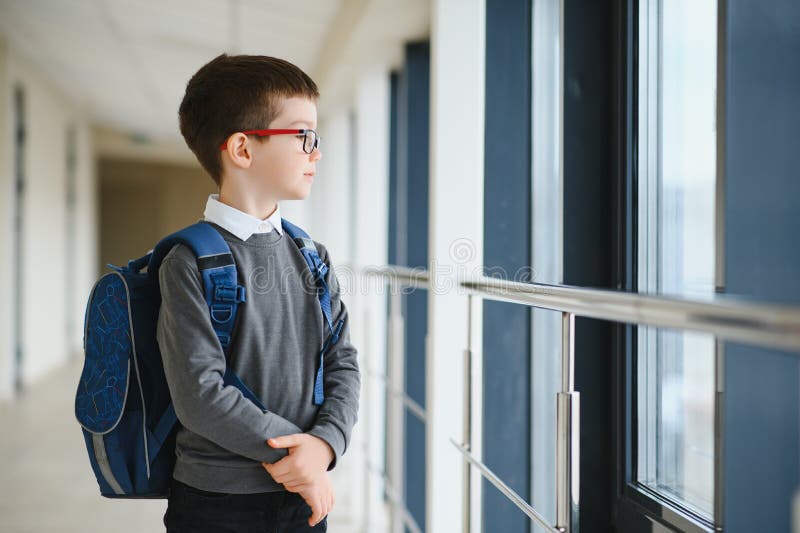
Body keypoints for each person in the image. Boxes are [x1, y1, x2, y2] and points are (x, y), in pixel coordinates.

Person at [156, 53, 360, 532]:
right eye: (303, 135)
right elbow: (201, 395)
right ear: (243, 150)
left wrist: (325, 444)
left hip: (301, 494)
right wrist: (302, 454)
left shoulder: (311, 255)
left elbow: (343, 361)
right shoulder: (188, 261)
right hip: (217, 503)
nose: (317, 151)